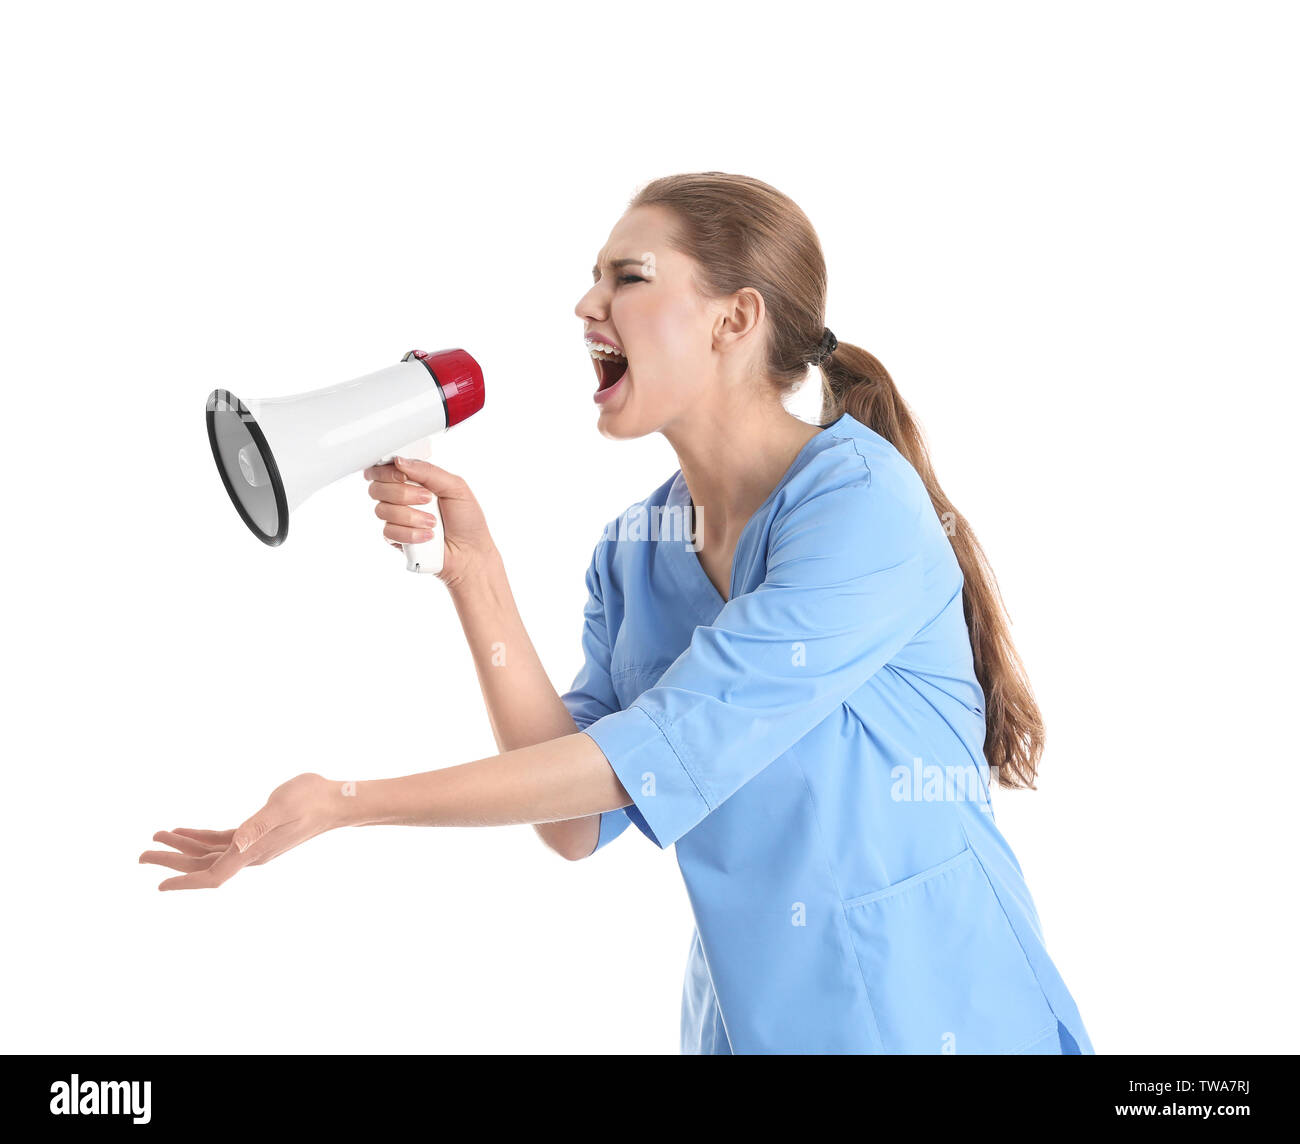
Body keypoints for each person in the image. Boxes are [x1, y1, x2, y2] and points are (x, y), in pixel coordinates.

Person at [140, 172, 1093, 1056]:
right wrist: (474, 573)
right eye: (592, 279)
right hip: (752, 1019)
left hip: (945, 1010)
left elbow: (661, 750)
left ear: (735, 318)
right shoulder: (635, 551)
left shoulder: (861, 508)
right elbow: (576, 822)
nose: (586, 306)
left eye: (625, 277)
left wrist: (349, 804)